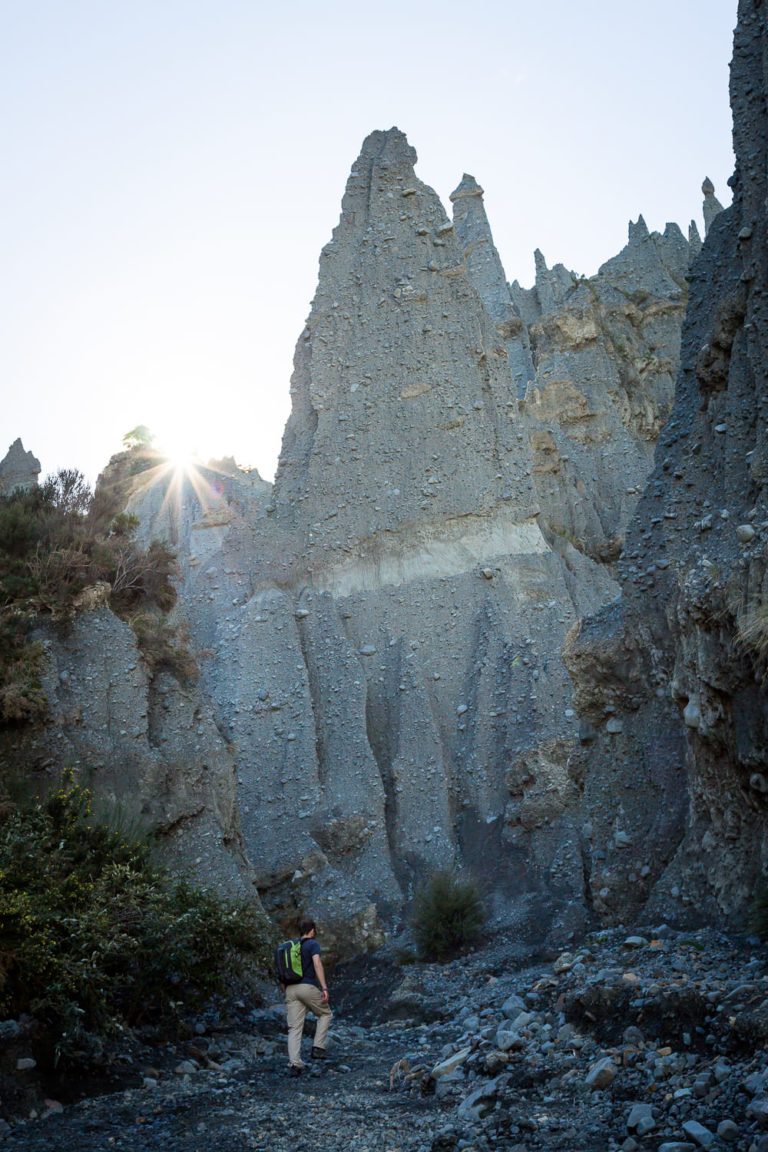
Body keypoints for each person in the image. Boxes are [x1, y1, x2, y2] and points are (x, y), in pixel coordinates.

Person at [280, 917, 332, 1076]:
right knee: (325, 1014)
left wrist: (285, 988)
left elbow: (281, 969)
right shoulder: (313, 944)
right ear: (312, 930)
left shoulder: (290, 946)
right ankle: (318, 1047)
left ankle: (294, 1064)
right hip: (306, 986)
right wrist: (324, 987)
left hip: (290, 989)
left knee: (294, 1028)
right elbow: (317, 964)